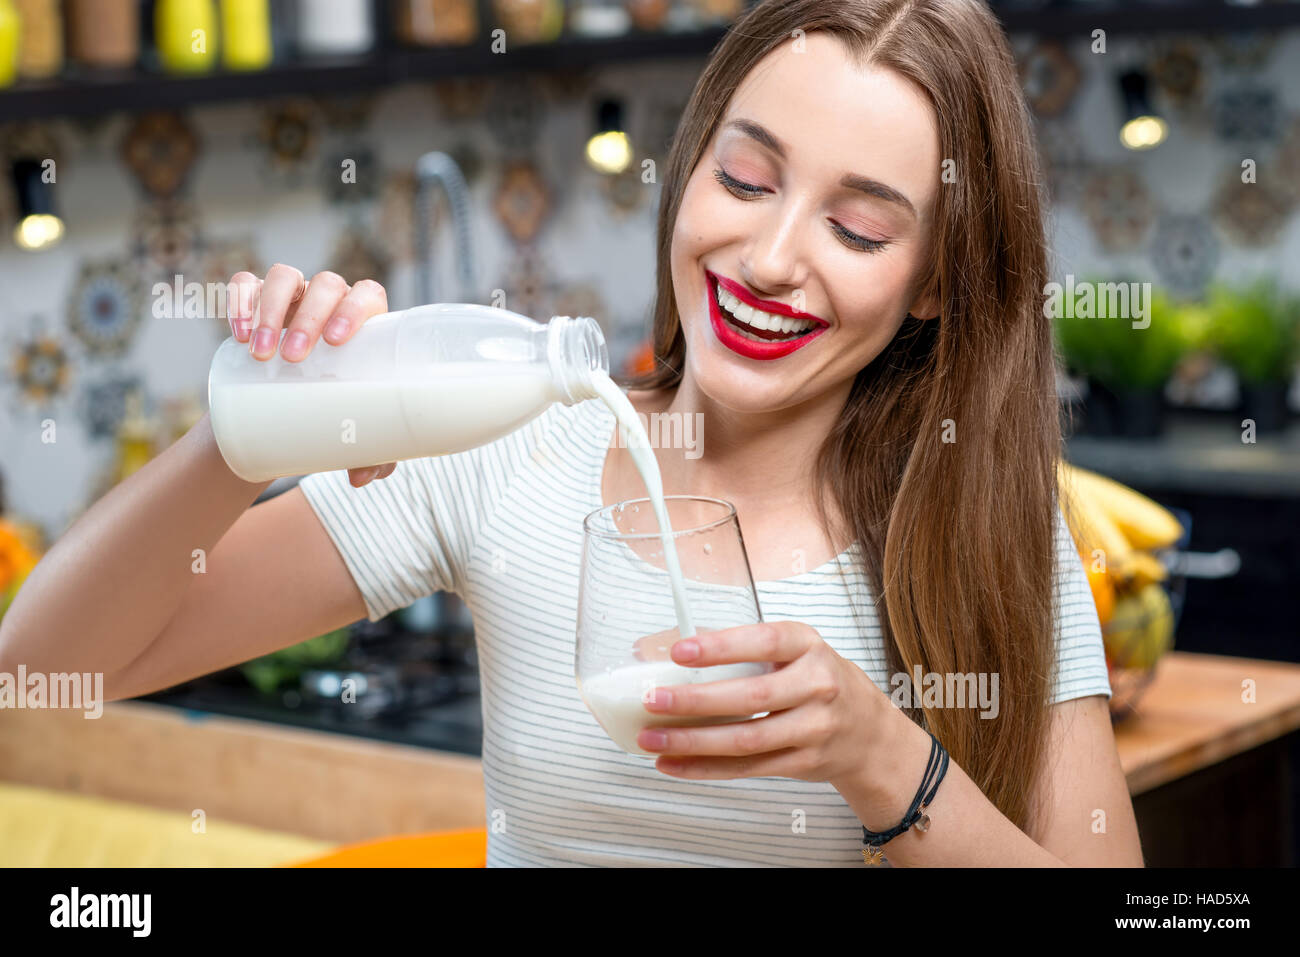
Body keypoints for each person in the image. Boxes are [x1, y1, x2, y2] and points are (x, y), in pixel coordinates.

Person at [0, 0, 1142, 866]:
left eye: (853, 227)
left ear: (935, 282)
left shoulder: (975, 518)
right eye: (745, 179)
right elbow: (39, 675)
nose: (770, 257)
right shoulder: (506, 449)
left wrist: (880, 756)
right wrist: (240, 434)